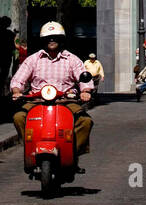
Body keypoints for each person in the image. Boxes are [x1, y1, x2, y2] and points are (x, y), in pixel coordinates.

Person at [10, 22, 94, 155]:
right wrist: (16, 91)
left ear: (61, 39)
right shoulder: (33, 59)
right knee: (19, 117)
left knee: (85, 121)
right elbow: (18, 79)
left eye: (55, 37)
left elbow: (84, 78)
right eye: (48, 38)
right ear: (43, 40)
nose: (52, 40)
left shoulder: (72, 59)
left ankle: (71, 152)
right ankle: (30, 147)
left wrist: (85, 91)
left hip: (66, 101)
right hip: (36, 101)